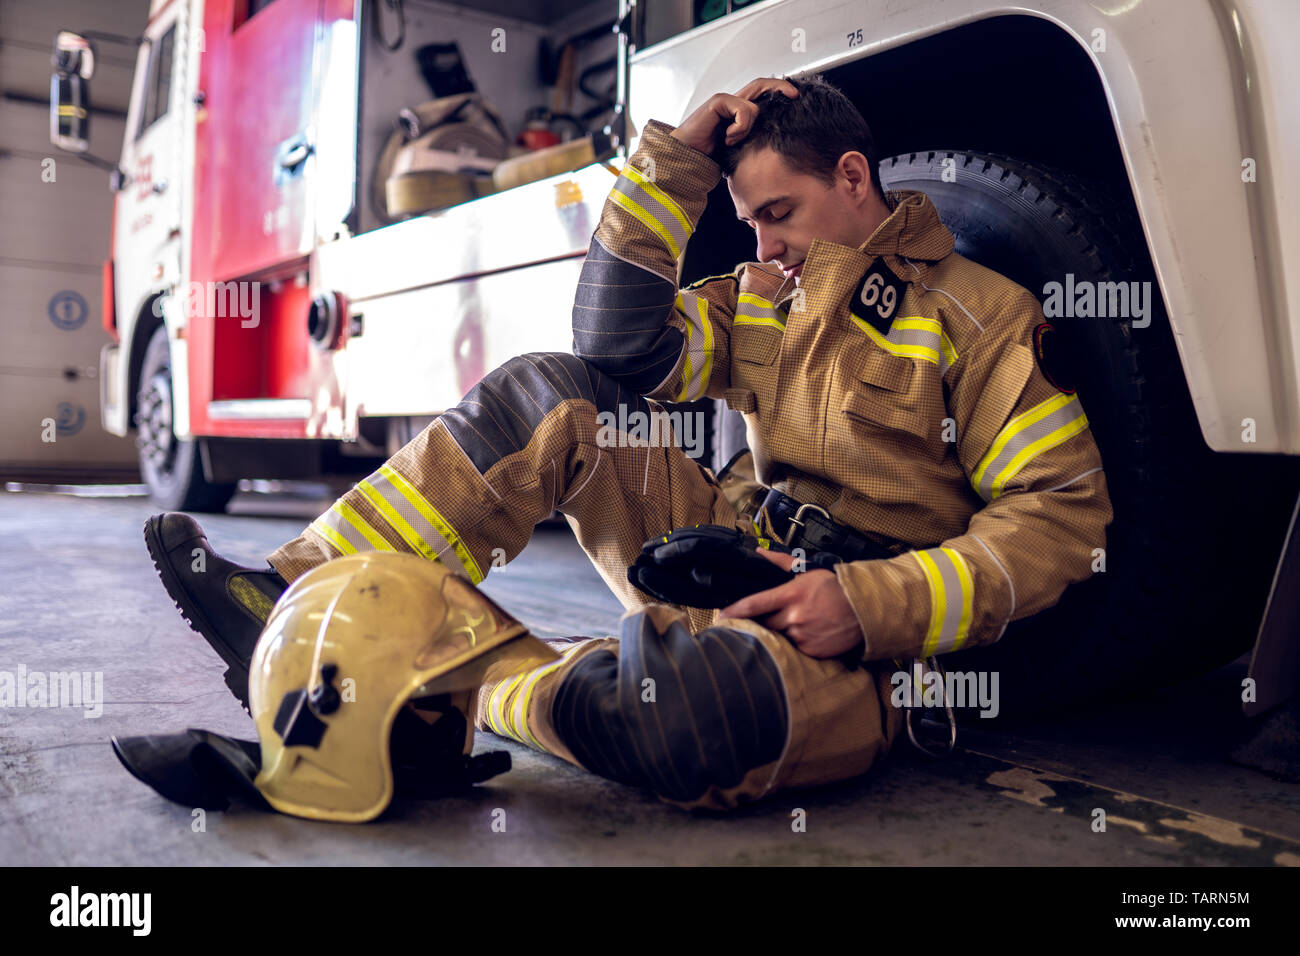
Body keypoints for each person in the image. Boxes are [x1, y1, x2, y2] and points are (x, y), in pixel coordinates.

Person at [144, 74, 1111, 812]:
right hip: (726, 551)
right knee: (554, 396)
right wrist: (674, 166)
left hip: (864, 654)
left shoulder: (984, 321)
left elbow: (1061, 521)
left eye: (780, 215)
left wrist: (866, 603)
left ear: (853, 177)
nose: (764, 248)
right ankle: (289, 600)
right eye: (751, 224)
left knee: (687, 717)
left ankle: (449, 699)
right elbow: (616, 345)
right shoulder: (758, 300)